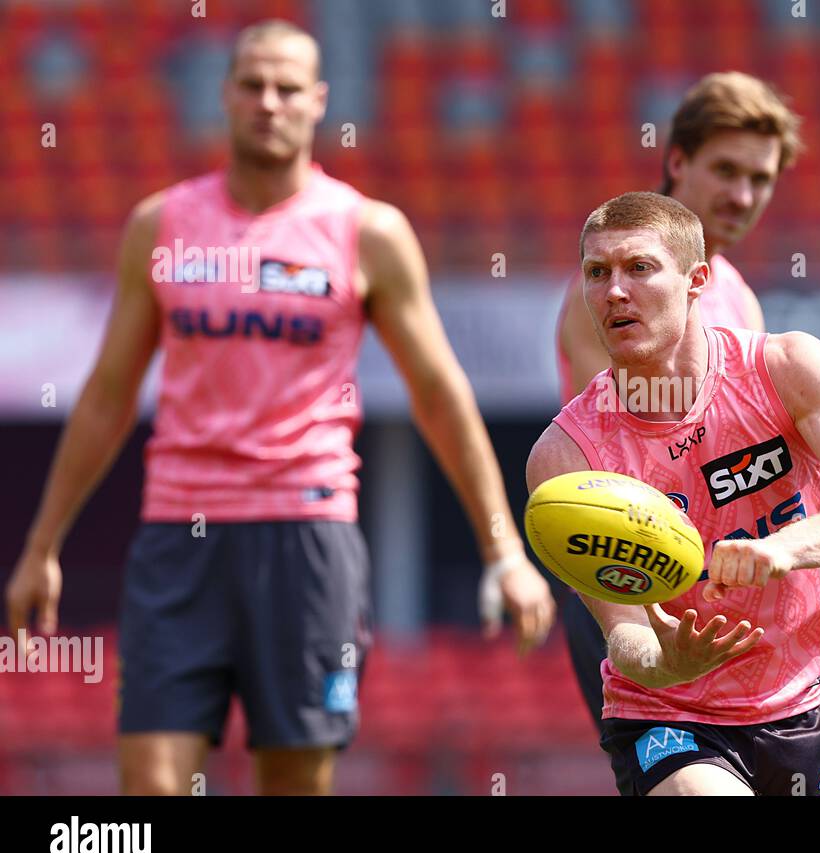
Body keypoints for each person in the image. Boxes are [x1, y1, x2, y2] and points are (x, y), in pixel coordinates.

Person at [3, 19, 554, 796]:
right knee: (150, 788)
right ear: (224, 95)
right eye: (253, 84)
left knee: (294, 784)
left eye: (288, 87)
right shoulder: (160, 226)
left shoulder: (368, 232)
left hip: (307, 534)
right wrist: (42, 544)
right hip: (177, 537)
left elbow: (438, 395)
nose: (269, 101)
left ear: (318, 103)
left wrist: (503, 550)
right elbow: (106, 396)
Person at [528, 191, 820, 795]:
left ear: (697, 281)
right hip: (667, 715)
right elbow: (624, 632)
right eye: (596, 272)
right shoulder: (566, 458)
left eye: (638, 268)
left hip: (798, 704)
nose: (613, 291)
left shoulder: (785, 369)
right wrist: (665, 660)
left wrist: (787, 548)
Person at [555, 72, 820, 731]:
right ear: (677, 160)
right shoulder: (614, 295)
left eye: (760, 179)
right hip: (637, 584)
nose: (741, 195)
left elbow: (789, 483)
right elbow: (633, 463)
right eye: (726, 169)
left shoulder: (736, 294)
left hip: (735, 589)